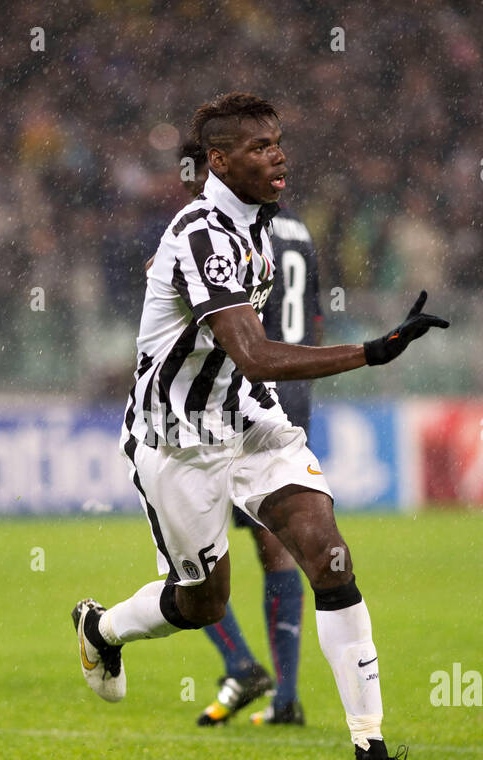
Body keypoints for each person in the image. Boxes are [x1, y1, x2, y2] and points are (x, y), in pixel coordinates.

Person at [72, 93, 447, 760]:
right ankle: (103, 625)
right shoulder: (201, 234)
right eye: (260, 147)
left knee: (330, 557)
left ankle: (370, 757)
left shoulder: (256, 226)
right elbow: (255, 351)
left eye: (279, 142)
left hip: (247, 418)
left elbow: (245, 366)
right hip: (179, 438)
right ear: (218, 159)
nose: (278, 155)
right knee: (202, 599)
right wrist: (372, 351)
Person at [162, 139, 323, 728]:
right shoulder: (299, 231)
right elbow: (316, 317)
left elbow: (214, 320)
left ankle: (241, 666)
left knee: (194, 542)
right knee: (274, 541)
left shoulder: (225, 235)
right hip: (295, 390)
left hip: (241, 390)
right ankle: (285, 696)